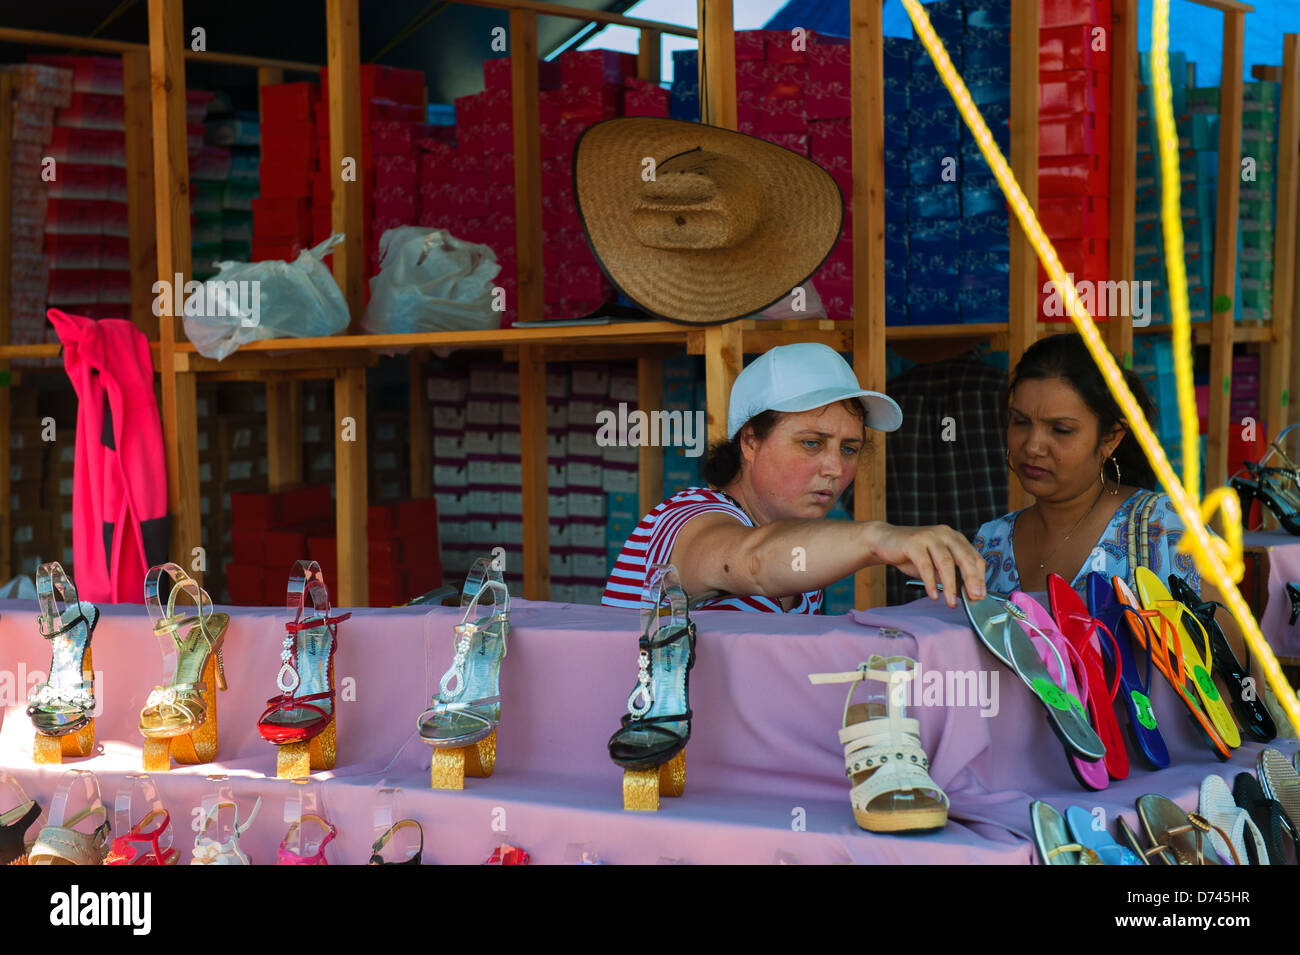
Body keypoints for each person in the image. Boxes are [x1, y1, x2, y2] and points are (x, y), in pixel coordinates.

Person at [602, 342, 987, 612]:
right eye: (811, 443)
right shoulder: (685, 517)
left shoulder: (801, 561)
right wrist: (877, 538)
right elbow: (753, 562)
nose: (836, 468)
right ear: (750, 441)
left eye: (849, 448)